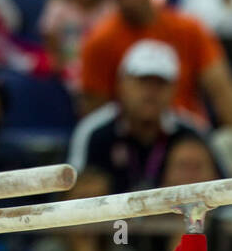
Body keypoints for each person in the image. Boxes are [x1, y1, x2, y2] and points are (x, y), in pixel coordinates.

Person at [78, 0, 232, 127]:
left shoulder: (189, 30)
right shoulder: (99, 42)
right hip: (127, 135)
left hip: (186, 133)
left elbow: (222, 92)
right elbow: (95, 113)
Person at [69, 39, 209, 193]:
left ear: (174, 89)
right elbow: (73, 193)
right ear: (122, 83)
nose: (151, 92)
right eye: (143, 81)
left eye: (160, 83)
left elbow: (220, 191)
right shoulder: (94, 132)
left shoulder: (192, 133)